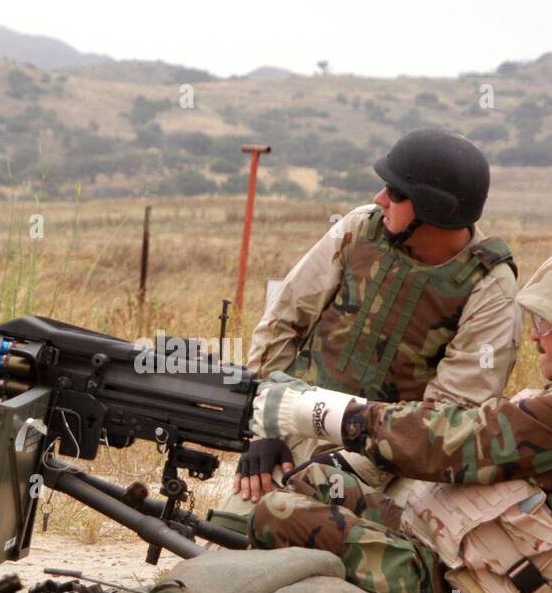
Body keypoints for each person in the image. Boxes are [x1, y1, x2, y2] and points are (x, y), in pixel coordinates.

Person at [246, 249, 552, 593]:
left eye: (544, 325)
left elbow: (443, 443)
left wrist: (319, 411)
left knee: (277, 512)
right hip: (452, 563)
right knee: (316, 478)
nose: (537, 339)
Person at [211, 129, 520, 535]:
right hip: (297, 432)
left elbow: (451, 419)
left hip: (400, 466)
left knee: (370, 562)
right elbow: (282, 323)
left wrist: (341, 470)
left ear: (433, 208)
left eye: (395, 192)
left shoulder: (489, 287)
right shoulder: (359, 228)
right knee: (230, 538)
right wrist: (264, 430)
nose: (380, 198)